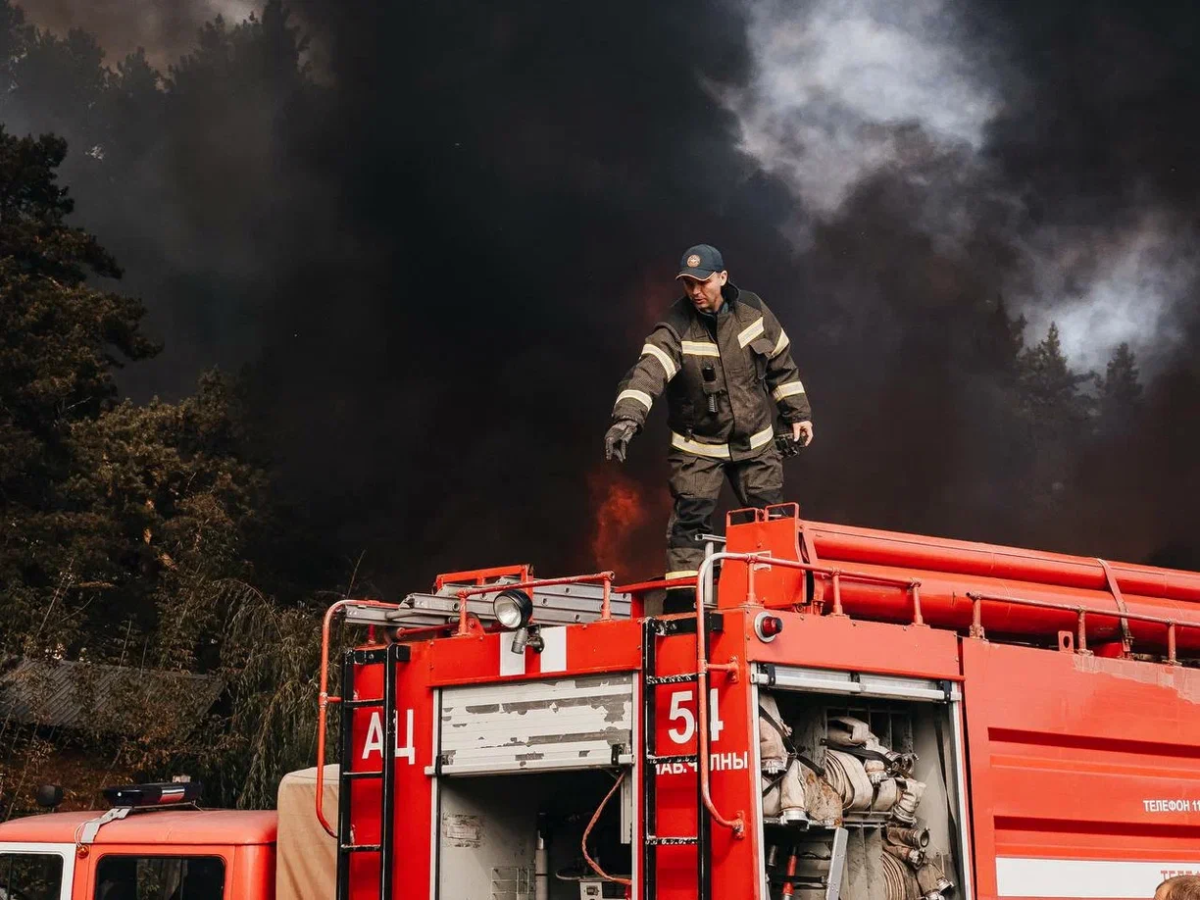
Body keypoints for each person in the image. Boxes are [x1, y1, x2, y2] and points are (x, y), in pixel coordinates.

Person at [605, 244, 813, 580]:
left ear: (722, 277)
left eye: (703, 282)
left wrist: (797, 414)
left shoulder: (753, 311)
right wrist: (627, 417)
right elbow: (648, 372)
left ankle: (770, 590)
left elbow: (781, 365)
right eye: (689, 284)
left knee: (770, 523)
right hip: (697, 450)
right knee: (689, 528)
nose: (695, 291)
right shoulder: (674, 326)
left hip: (755, 445)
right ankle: (686, 600)